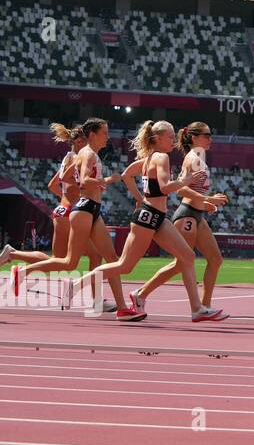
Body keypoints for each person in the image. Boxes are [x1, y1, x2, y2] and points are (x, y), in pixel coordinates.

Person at [73, 120, 225, 322]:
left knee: (187, 256)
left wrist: (139, 197)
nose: (174, 141)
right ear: (159, 138)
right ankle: (76, 284)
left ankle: (197, 309)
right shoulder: (161, 157)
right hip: (147, 217)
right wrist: (185, 181)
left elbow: (128, 175)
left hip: (157, 217)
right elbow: (164, 188)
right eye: (170, 137)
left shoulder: (148, 158)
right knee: (124, 266)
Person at [10, 118, 135, 318]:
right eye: (104, 132)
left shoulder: (83, 155)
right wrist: (106, 180)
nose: (108, 137)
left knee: (110, 258)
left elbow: (65, 179)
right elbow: (84, 181)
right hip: (84, 208)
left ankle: (122, 307)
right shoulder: (87, 154)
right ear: (92, 135)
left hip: (92, 209)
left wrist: (89, 183)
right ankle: (22, 272)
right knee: (69, 262)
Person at [130, 121, 229, 313]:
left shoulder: (200, 156)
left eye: (210, 135)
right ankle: (141, 294)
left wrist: (204, 203)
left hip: (197, 213)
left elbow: (191, 188)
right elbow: (181, 189)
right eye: (206, 135)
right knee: (181, 262)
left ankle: (205, 304)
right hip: (187, 215)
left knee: (215, 259)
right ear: (194, 138)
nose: (210, 139)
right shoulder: (193, 157)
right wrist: (206, 198)